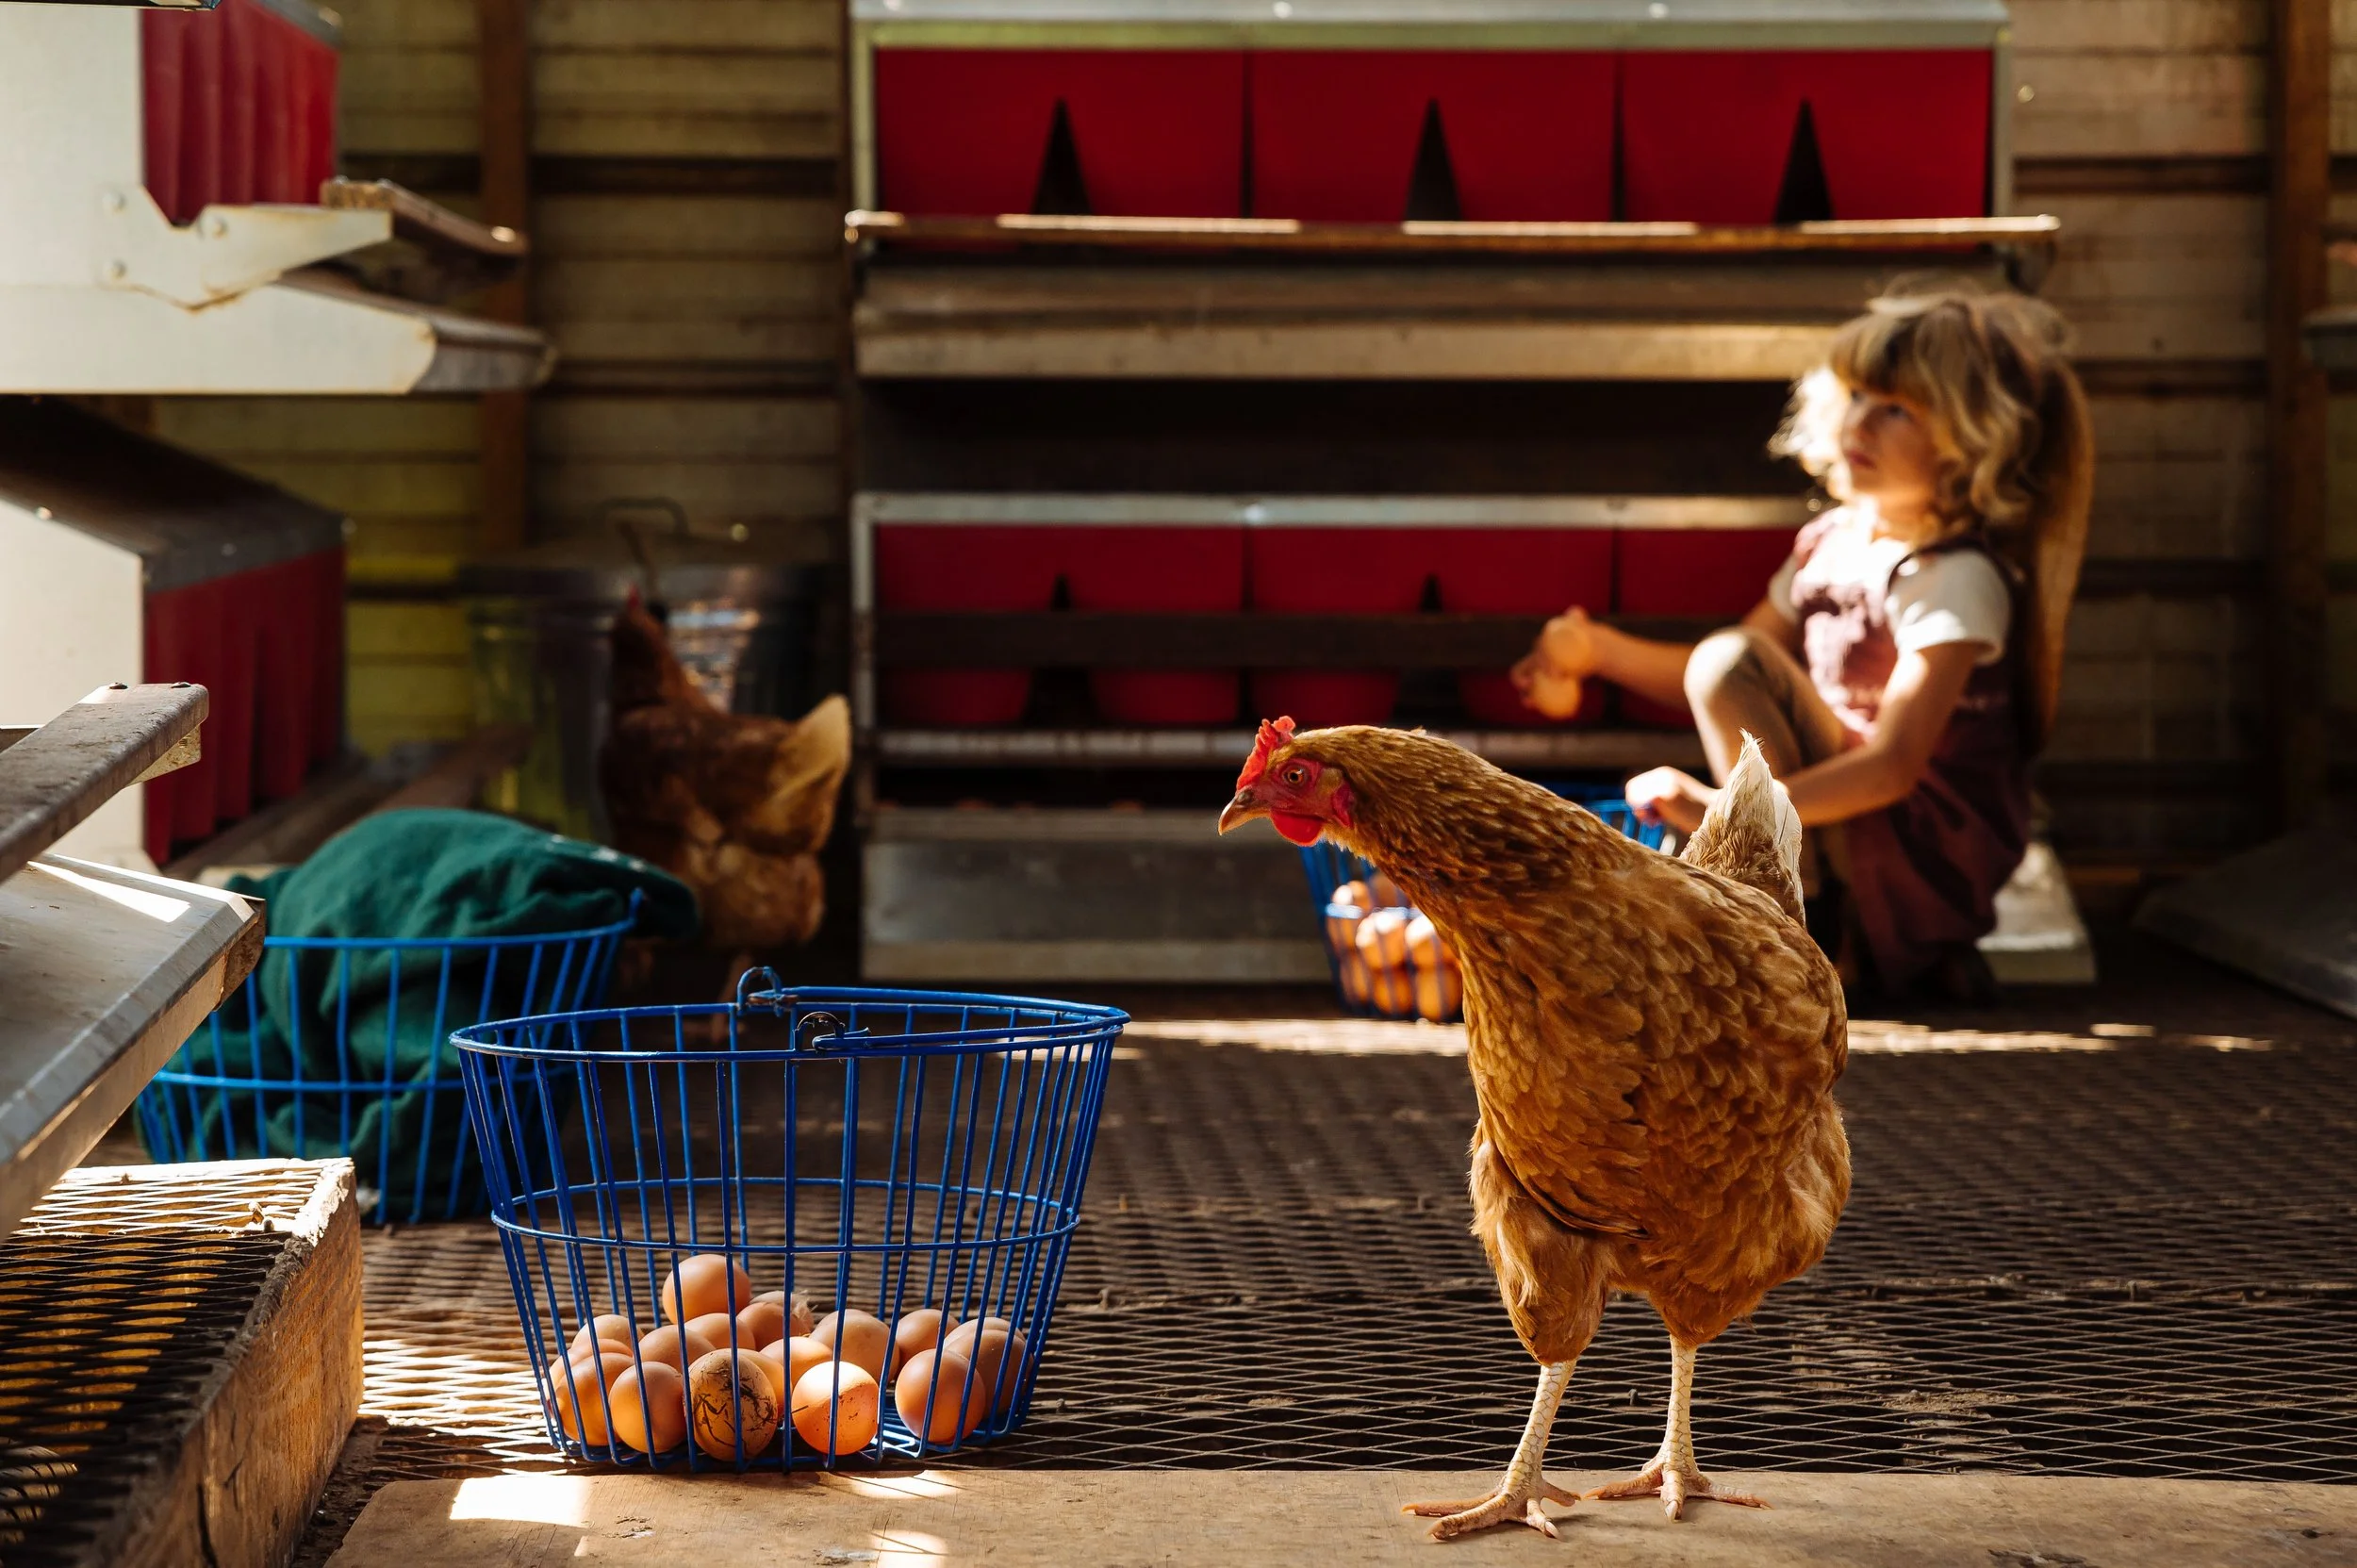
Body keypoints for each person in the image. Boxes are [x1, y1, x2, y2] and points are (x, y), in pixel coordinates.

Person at [1509, 287, 2095, 1001]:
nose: (1861, 423)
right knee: (1729, 660)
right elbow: (1722, 670)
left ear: (1971, 443)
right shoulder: (1832, 543)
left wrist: (1729, 813)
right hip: (1838, 826)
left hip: (1910, 862)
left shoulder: (1954, 577)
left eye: (1897, 410)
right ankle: (1790, 914)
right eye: (1856, 396)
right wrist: (1600, 651)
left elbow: (1892, 769)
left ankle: (1806, 929)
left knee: (1731, 663)